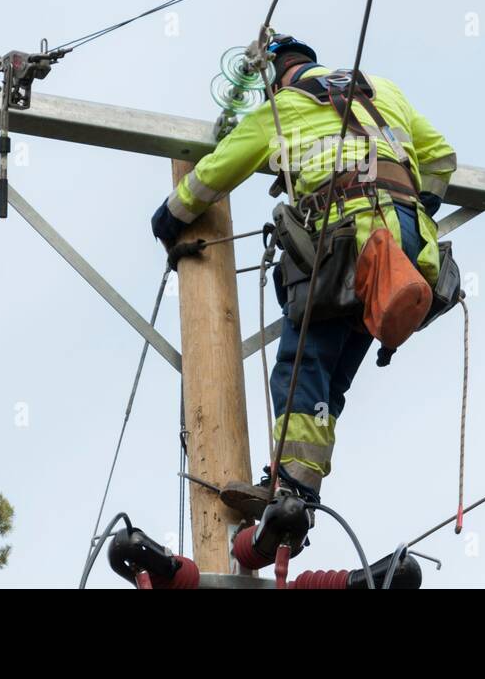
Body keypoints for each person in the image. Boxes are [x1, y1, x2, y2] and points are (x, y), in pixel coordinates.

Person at [151, 35, 456, 513]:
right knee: (330, 377)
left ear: (276, 79)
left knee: (302, 367)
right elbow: (441, 157)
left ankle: (292, 491)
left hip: (347, 250)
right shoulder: (384, 91)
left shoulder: (283, 108)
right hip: (410, 252)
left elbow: (218, 170)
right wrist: (417, 203)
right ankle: (298, 493)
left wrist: (172, 213)